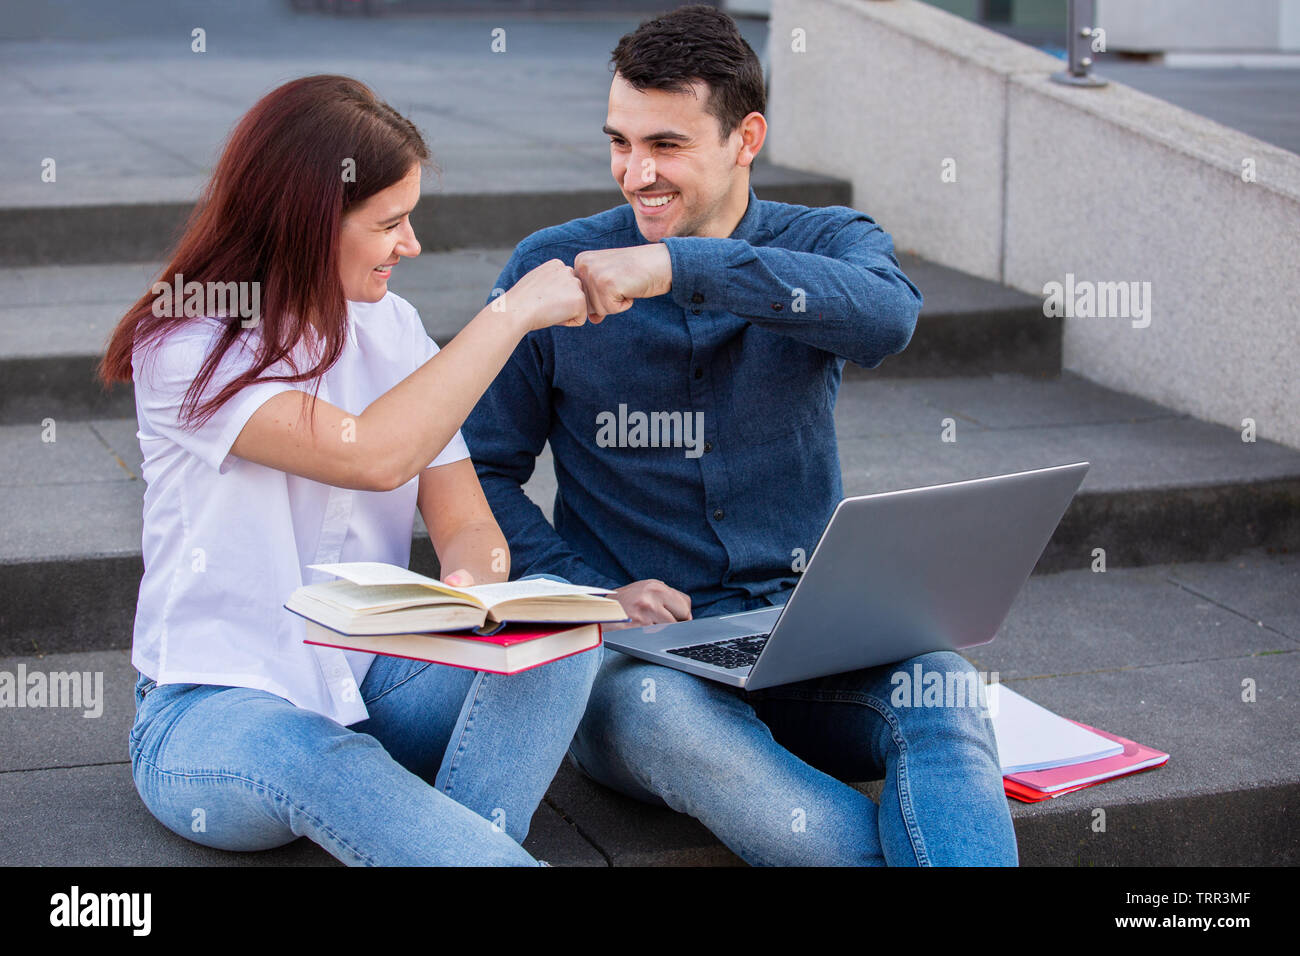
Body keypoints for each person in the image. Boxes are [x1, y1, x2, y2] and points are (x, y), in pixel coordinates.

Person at [463, 6, 1018, 866]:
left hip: (802, 636)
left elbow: (887, 318)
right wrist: (592, 591)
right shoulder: (553, 268)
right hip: (634, 662)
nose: (636, 174)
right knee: (669, 721)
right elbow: (480, 473)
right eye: (620, 143)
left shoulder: (826, 242)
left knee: (943, 685)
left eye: (666, 145)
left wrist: (679, 267)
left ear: (746, 138)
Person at [99, 75, 600, 866]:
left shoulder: (394, 328)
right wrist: (510, 314)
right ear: (307, 223)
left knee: (563, 638)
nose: (412, 245)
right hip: (214, 714)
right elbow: (371, 454)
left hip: (372, 687)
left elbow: (469, 523)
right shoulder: (186, 344)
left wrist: (474, 595)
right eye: (390, 223)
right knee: (313, 752)